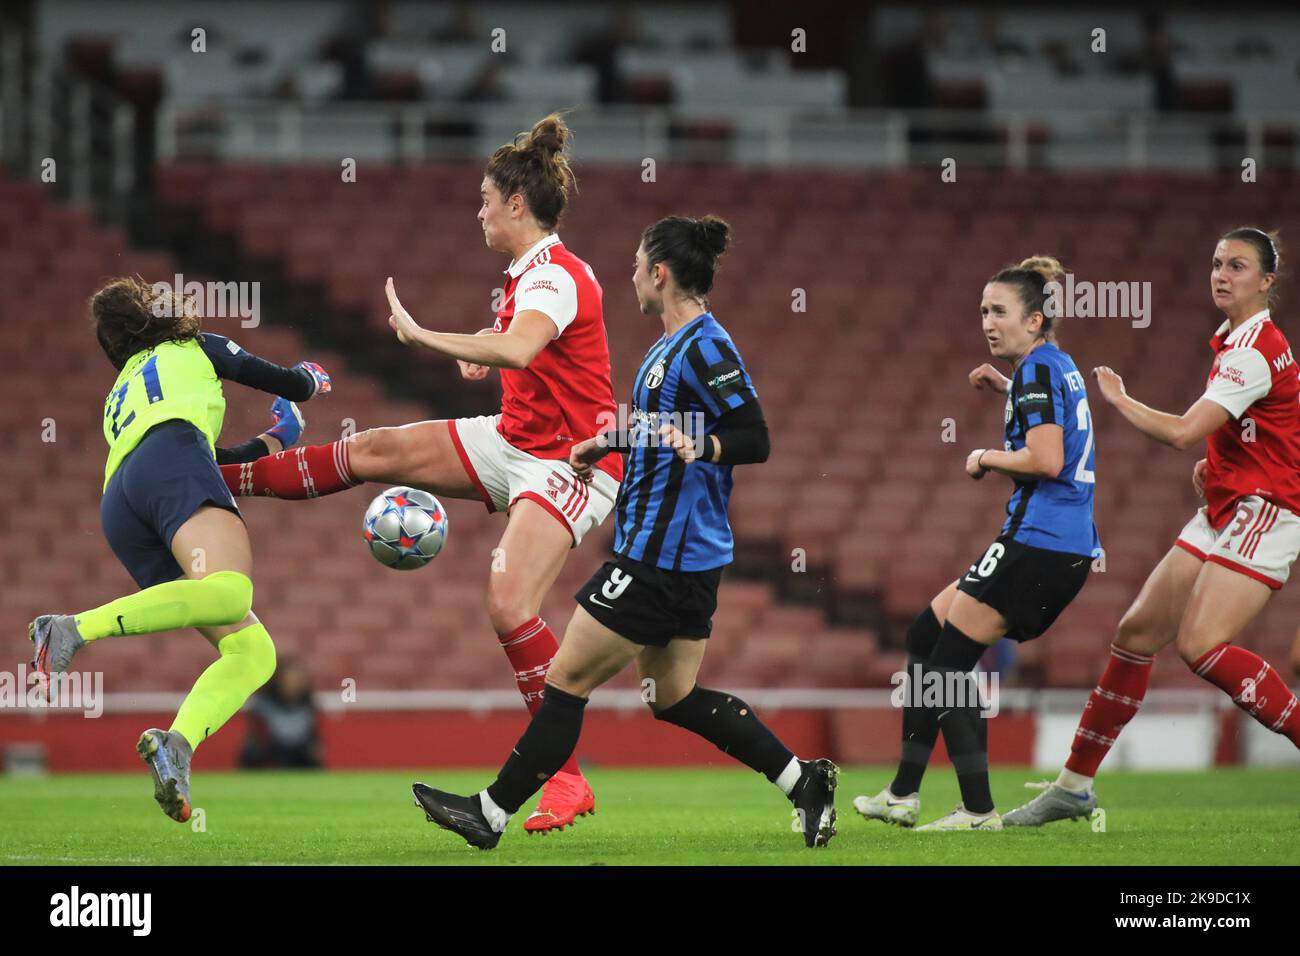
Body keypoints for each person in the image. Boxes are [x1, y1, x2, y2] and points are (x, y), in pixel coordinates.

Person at [216, 114, 621, 833]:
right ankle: (219, 479)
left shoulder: (555, 275)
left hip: (574, 462)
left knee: (507, 603)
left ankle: (566, 780)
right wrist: (483, 353)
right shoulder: (532, 274)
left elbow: (525, 349)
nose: (480, 211)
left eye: (486, 200)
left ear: (516, 206)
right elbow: (526, 354)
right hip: (516, 441)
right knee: (375, 450)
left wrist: (427, 336)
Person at [410, 215, 840, 850]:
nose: (632, 274)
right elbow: (662, 427)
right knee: (674, 697)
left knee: (565, 681)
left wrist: (706, 443)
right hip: (683, 559)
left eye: (639, 264)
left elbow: (756, 436)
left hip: (659, 558)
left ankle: (489, 813)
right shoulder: (664, 350)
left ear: (660, 274)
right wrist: (607, 439)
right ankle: (802, 780)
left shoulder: (705, 346)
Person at [1006, 227, 1300, 826]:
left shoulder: (1251, 351)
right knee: (1137, 633)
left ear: (1267, 281)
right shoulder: (1238, 341)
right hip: (1229, 503)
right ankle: (1073, 786)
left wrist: (1118, 397)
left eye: (1238, 266)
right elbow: (1260, 428)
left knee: (1199, 644)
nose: (1221, 275)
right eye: (1217, 263)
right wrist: (1219, 465)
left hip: (1264, 511)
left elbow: (1181, 430)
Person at [28, 276, 330, 822]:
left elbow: (204, 456)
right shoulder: (191, 346)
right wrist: (307, 383)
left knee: (251, 651)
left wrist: (276, 441)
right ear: (149, 317)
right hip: (169, 465)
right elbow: (273, 377)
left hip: (121, 501)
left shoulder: (120, 392)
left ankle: (177, 747)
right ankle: (72, 628)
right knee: (231, 592)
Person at [854, 256, 1099, 831]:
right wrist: (1008, 391)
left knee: (944, 668)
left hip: (1037, 544)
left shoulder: (1040, 371)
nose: (988, 323)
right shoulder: (1054, 367)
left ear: (1035, 320)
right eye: (983, 311)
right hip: (1058, 547)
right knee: (926, 637)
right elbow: (1055, 424)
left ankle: (977, 810)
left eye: (1001, 312)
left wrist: (984, 457)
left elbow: (1046, 458)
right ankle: (903, 794)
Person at [239, 655, 322, 769]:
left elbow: (313, 736)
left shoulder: (309, 705)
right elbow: (257, 736)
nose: (292, 685)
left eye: (296, 681)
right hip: (272, 750)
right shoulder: (263, 704)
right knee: (251, 751)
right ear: (279, 681)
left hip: (300, 752)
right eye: (288, 680)